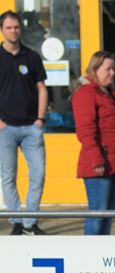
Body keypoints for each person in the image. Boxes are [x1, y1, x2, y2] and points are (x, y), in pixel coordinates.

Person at [72, 51, 115, 235]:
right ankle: (90, 257)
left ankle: (100, 259)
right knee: (97, 214)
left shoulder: (113, 94)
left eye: (114, 69)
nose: (112, 73)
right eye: (107, 69)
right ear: (95, 69)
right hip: (99, 165)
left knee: (108, 215)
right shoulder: (85, 93)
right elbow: (86, 131)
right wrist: (96, 160)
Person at [0, 10, 47, 235]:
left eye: (16, 27)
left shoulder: (32, 56)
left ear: (21, 29)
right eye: (8, 27)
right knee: (8, 177)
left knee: (38, 175)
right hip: (5, 128)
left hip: (31, 128)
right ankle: (16, 222)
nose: (13, 31)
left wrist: (40, 119)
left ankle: (30, 222)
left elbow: (41, 88)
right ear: (2, 30)